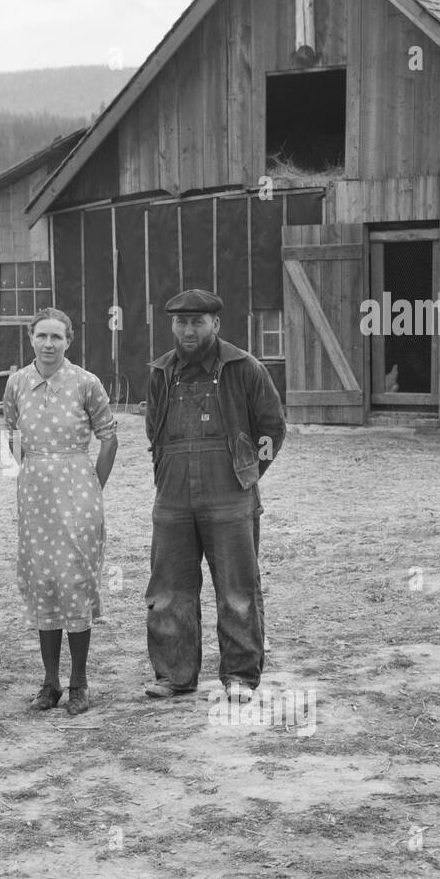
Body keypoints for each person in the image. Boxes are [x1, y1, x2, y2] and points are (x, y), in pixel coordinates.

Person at [143, 289, 284, 704]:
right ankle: (173, 675)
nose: (188, 331)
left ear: (215, 324)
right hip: (172, 498)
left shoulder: (245, 368)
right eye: (181, 322)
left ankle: (239, 676)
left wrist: (247, 473)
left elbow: (272, 429)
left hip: (230, 497)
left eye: (197, 322)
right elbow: (153, 431)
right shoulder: (161, 372)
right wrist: (168, 474)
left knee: (238, 590)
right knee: (168, 591)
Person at [2, 308, 118, 715]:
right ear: (30, 338)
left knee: (74, 579)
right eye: (42, 336)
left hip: (77, 490)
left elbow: (109, 437)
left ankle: (78, 681)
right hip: (35, 493)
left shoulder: (86, 383)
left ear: (69, 340)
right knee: (43, 581)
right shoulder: (17, 382)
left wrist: (92, 484)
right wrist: (33, 469)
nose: (48, 344)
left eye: (56, 337)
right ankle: (49, 682)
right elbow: (10, 431)